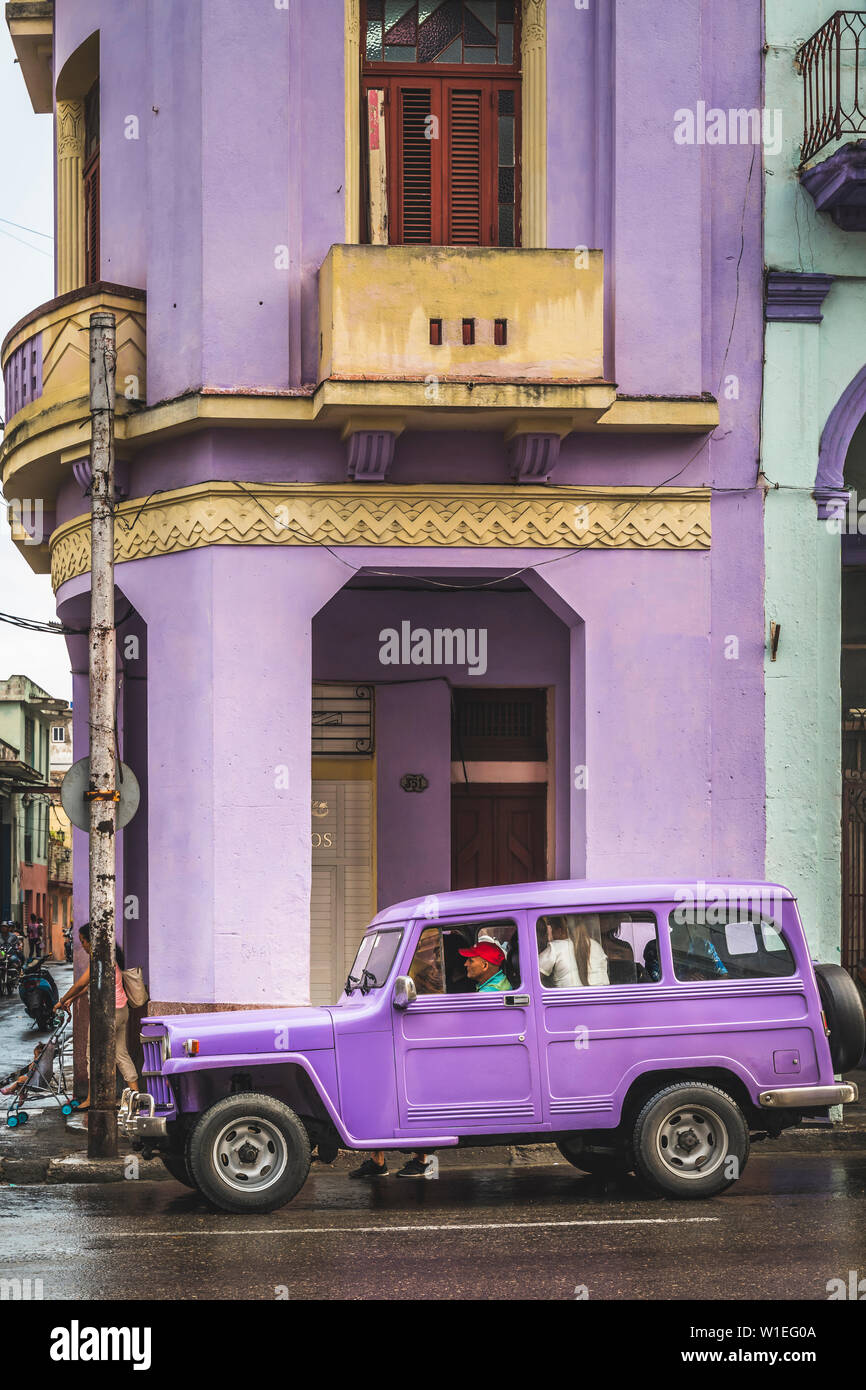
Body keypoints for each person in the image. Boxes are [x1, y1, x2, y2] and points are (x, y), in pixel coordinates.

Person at [53, 923, 139, 1110]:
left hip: (108, 1015)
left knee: (91, 1053)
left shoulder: (99, 960)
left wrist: (62, 1000)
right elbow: (86, 987)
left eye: (83, 941)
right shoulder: (112, 957)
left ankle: (92, 1098)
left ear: (91, 941)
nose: (82, 945)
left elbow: (79, 985)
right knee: (121, 1054)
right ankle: (136, 1097)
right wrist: (72, 1000)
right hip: (122, 1011)